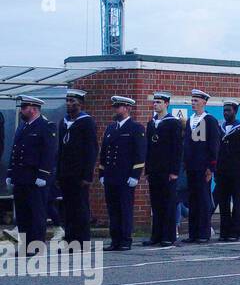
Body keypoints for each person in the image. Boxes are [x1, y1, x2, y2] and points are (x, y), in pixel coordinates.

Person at [6, 96, 56, 251]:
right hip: (21, 176)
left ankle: (36, 246)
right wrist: (10, 173)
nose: (21, 110)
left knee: (36, 213)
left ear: (33, 109)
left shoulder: (46, 126)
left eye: (24, 107)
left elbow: (49, 152)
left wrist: (43, 174)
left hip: (35, 177)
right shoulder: (23, 126)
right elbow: (15, 150)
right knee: (23, 214)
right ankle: (25, 245)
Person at [97, 96, 146, 251]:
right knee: (113, 209)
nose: (115, 110)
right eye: (114, 107)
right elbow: (104, 152)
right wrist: (102, 173)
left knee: (124, 209)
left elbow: (140, 153)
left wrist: (135, 175)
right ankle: (115, 239)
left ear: (126, 108)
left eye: (118, 107)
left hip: (125, 176)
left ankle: (125, 240)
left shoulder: (135, 128)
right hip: (111, 175)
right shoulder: (111, 128)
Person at [56, 89, 98, 245]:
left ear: (80, 104)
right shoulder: (64, 122)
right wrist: (58, 173)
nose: (68, 104)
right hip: (65, 173)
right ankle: (70, 239)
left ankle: (82, 241)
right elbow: (60, 149)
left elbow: (91, 150)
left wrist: (87, 175)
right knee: (68, 209)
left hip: (79, 174)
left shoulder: (86, 122)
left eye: (72, 101)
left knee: (80, 208)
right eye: (67, 100)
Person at [142, 92, 182, 247]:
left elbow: (177, 148)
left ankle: (168, 235)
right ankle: (156, 235)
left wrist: (174, 171)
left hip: (168, 170)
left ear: (166, 104)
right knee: (156, 204)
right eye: (154, 102)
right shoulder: (151, 123)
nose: (155, 105)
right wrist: (148, 170)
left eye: (159, 102)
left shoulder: (173, 122)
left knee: (168, 203)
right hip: (154, 170)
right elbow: (149, 148)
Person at [214, 101, 240, 242]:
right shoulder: (220, 128)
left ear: (235, 112)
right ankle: (224, 231)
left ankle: (234, 232)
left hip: (237, 173)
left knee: (237, 204)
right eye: (224, 110)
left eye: (228, 110)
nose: (225, 113)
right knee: (223, 204)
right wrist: (216, 172)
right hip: (222, 172)